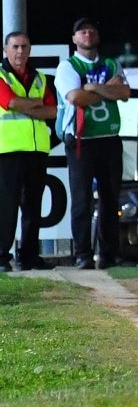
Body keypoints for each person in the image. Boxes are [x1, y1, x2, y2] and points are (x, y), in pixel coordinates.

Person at [55, 17, 131, 269]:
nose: (87, 35)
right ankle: (83, 254)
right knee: (81, 199)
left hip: (109, 138)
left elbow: (124, 92)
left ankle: (109, 254)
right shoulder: (69, 67)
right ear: (74, 39)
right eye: (82, 32)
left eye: (91, 31)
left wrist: (94, 87)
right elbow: (75, 97)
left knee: (111, 199)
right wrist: (103, 89)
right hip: (81, 140)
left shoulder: (111, 64)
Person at [0, 32, 57, 271]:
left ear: (30, 49)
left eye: (24, 46)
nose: (20, 52)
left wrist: (26, 104)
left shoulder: (40, 78)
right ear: (6, 50)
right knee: (7, 205)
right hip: (8, 150)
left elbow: (53, 111)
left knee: (34, 205)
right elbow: (10, 103)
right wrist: (36, 105)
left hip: (36, 151)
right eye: (15, 47)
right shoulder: (1, 75)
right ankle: (3, 256)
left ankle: (29, 256)